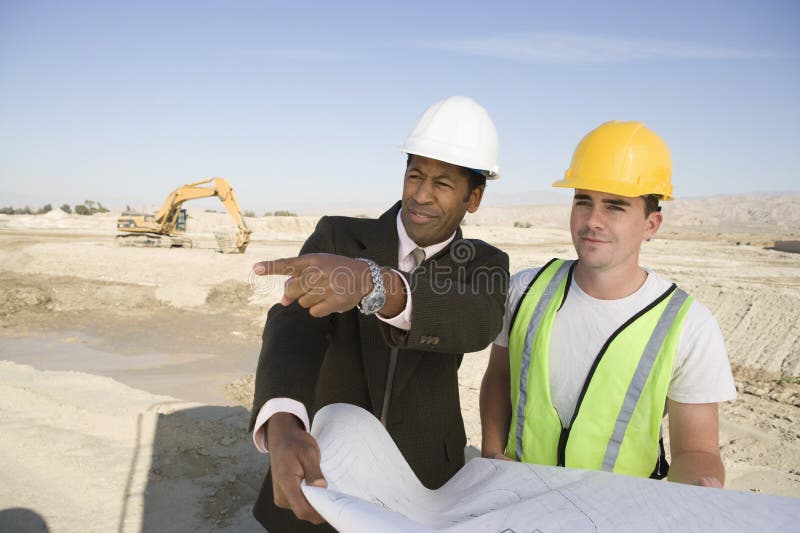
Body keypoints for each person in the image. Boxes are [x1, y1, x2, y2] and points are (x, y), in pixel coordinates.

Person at [249, 96, 509, 531]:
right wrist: (282, 418)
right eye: (415, 176)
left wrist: (371, 283)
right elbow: (294, 327)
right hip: (326, 461)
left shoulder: (484, 263)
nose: (421, 195)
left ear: (475, 197)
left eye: (443, 184)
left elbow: (477, 321)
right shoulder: (338, 237)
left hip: (425, 477)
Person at [480, 120, 736, 487]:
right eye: (583, 201)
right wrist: (492, 455)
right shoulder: (525, 290)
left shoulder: (689, 325)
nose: (592, 221)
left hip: (622, 514)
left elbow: (697, 452)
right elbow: (501, 377)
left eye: (614, 207)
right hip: (519, 498)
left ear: (651, 224)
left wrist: (699, 491)